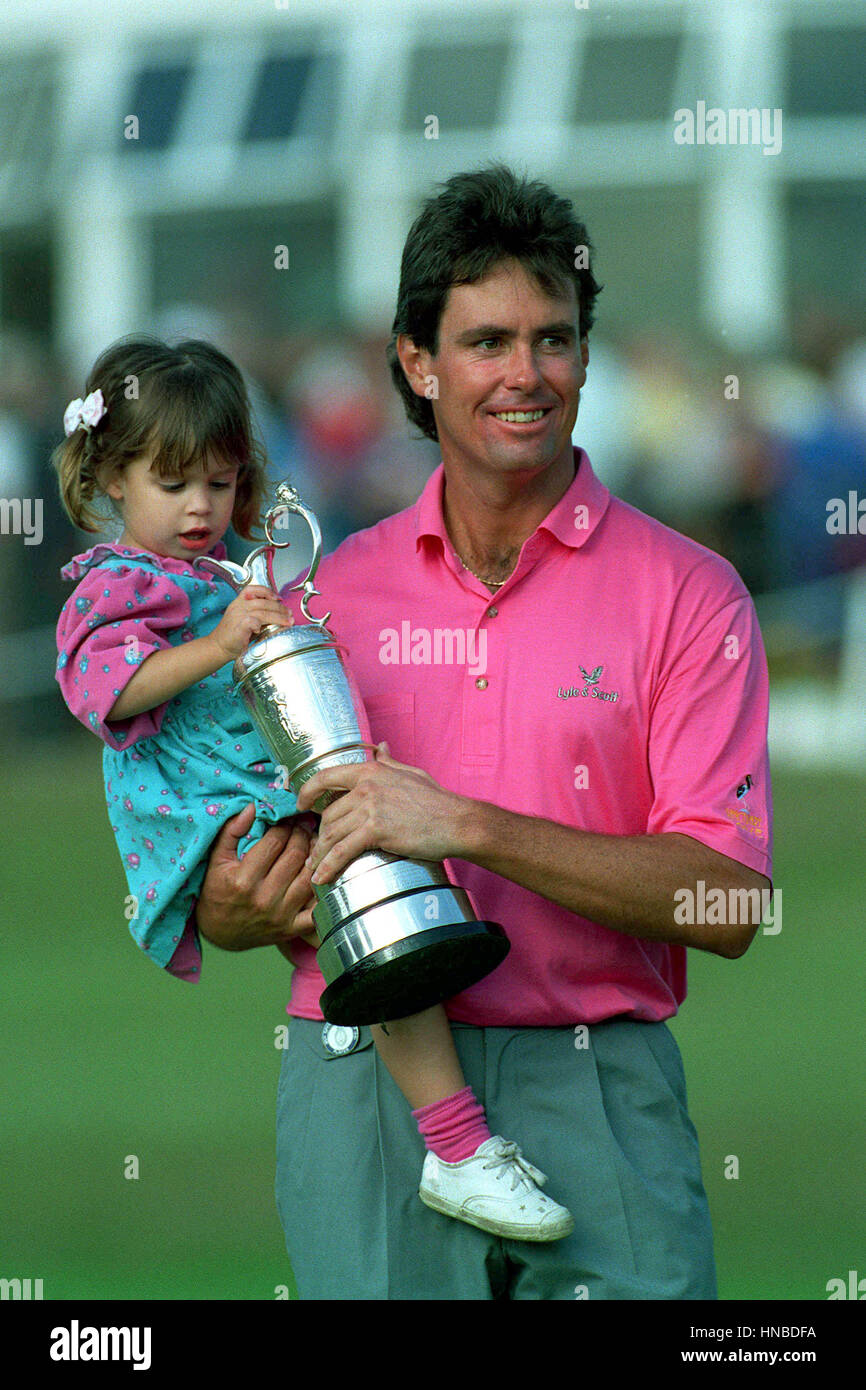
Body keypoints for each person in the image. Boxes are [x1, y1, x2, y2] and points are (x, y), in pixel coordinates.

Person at [195, 165, 774, 1301]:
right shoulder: (322, 600)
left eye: (553, 340)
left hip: (594, 1082)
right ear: (417, 362)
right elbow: (225, 873)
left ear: (585, 355)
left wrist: (465, 825)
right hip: (361, 1076)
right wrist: (229, 905)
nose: (526, 375)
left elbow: (728, 899)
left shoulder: (688, 593)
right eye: (487, 341)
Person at [52, 334, 574, 1244]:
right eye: (172, 485)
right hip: (206, 814)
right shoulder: (116, 585)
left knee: (386, 857)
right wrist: (219, 647)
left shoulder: (213, 574)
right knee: (370, 886)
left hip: (251, 789)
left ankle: (366, 1026)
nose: (199, 507)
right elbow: (101, 690)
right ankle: (455, 1146)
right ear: (108, 480)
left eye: (217, 483)